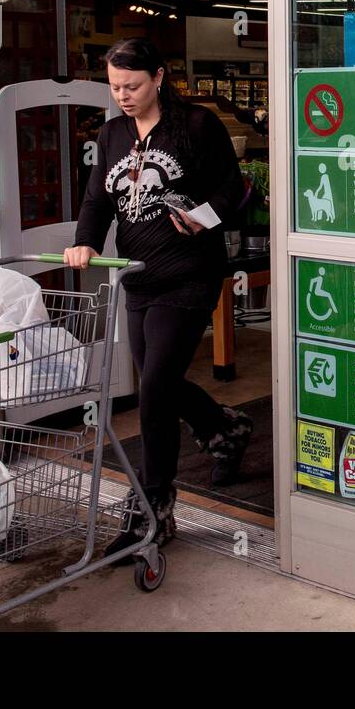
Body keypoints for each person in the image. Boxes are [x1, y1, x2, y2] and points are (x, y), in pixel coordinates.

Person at [65, 37, 253, 558]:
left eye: (132, 86)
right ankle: (224, 427)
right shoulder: (112, 134)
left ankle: (153, 507)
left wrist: (201, 217)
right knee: (160, 385)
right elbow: (96, 199)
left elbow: (234, 190)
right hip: (138, 277)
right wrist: (84, 240)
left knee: (153, 392)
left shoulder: (195, 125)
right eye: (115, 87)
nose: (122, 96)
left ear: (159, 77)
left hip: (190, 274)